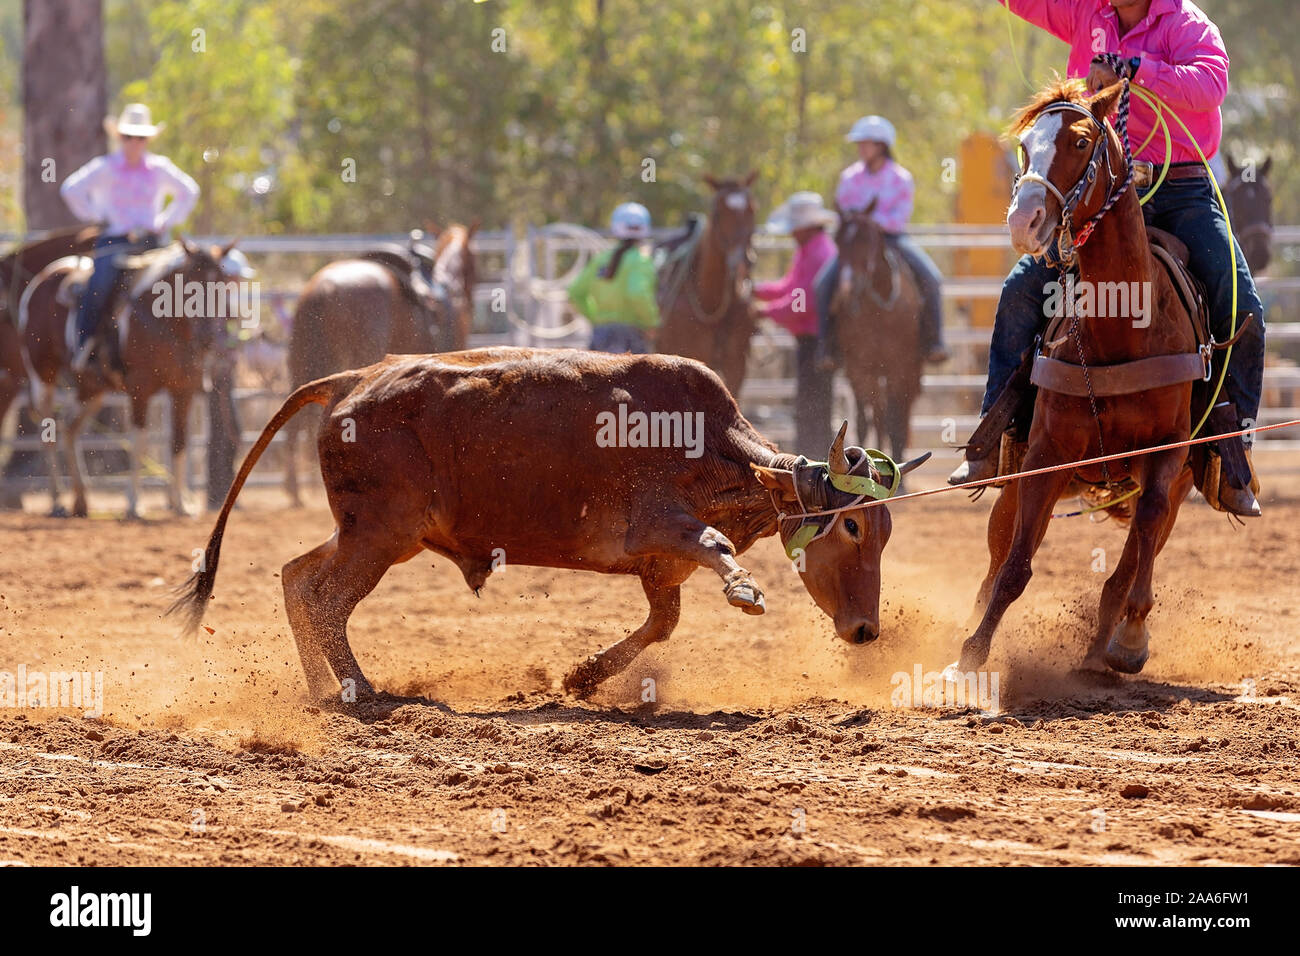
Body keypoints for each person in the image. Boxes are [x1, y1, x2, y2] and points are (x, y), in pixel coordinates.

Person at [950, 0, 1266, 518]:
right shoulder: (1084, 12)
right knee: (1022, 290)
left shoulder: (1187, 25)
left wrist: (1134, 70)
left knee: (1242, 306)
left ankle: (1230, 454)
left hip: (1180, 188)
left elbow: (1210, 86)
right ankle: (996, 441)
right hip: (1100, 190)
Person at [59, 103, 200, 380]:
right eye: (128, 137)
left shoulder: (159, 168)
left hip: (153, 243)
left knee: (185, 279)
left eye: (140, 137)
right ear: (120, 138)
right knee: (99, 283)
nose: (134, 143)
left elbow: (190, 191)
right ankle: (85, 343)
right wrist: (98, 216)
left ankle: (192, 349)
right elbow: (70, 190)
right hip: (115, 242)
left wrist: (165, 220)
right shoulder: (105, 167)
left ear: (148, 140)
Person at [815, 115, 949, 366]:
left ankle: (934, 341)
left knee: (932, 277)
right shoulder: (849, 177)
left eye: (866, 143)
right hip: (857, 244)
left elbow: (900, 217)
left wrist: (875, 223)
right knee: (822, 283)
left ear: (881, 146)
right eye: (860, 143)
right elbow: (842, 212)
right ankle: (827, 347)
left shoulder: (900, 178)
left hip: (892, 239)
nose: (861, 148)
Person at [753, 191, 839, 452]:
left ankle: (815, 458)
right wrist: (757, 291)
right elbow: (791, 287)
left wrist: (764, 311)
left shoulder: (816, 253)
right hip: (811, 338)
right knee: (810, 403)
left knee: (813, 404)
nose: (791, 233)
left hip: (816, 339)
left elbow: (803, 302)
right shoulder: (810, 250)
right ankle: (816, 457)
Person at [568, 202, 659, 353]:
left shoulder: (600, 259)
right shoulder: (641, 261)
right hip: (631, 337)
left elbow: (575, 292)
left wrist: (596, 318)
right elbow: (637, 293)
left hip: (600, 335)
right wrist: (652, 323)